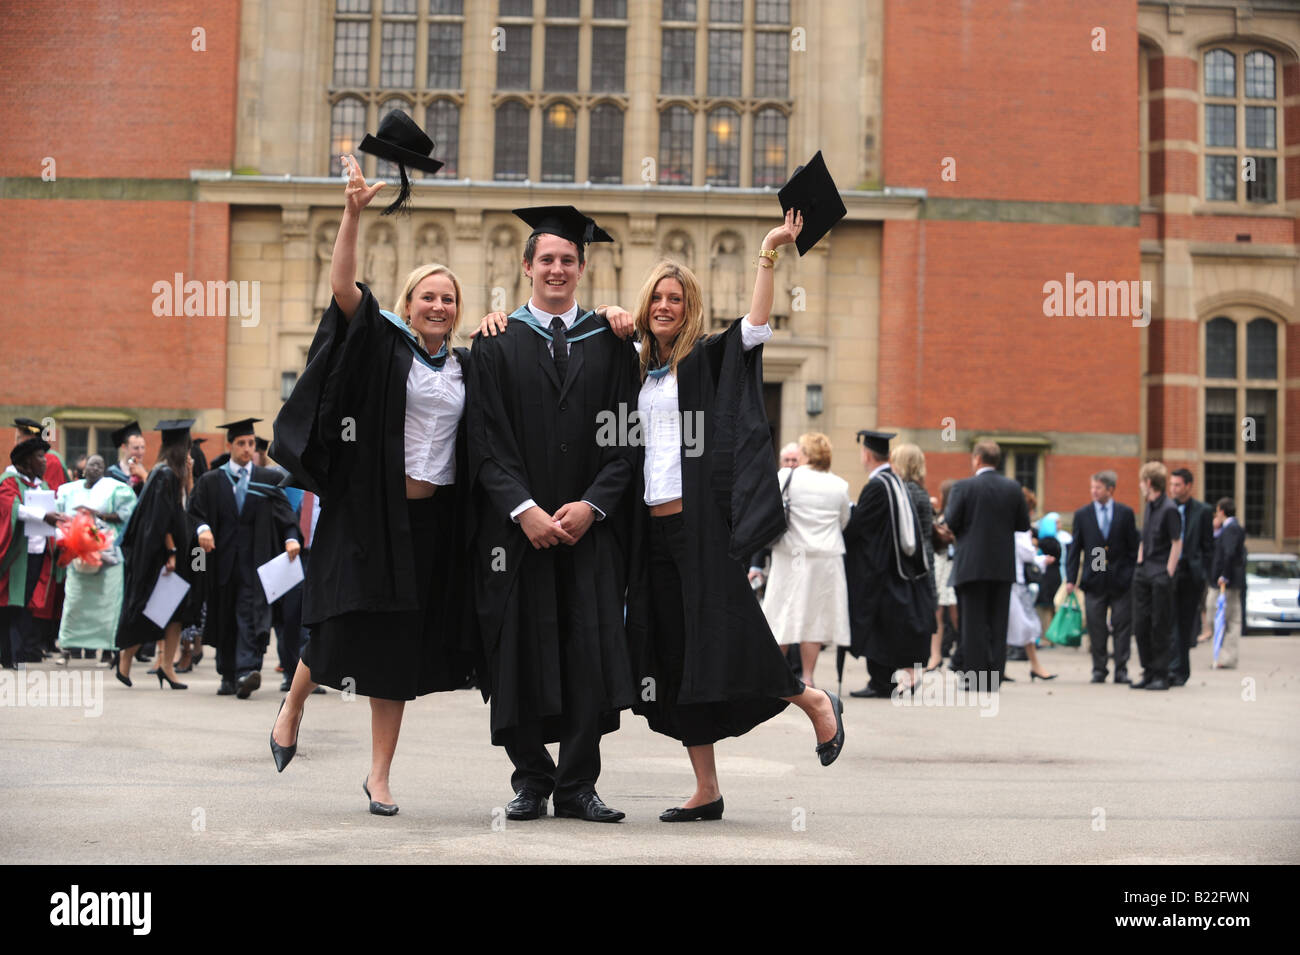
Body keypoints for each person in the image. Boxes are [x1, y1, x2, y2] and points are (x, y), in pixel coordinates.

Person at [271, 145, 474, 815]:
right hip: (370, 512)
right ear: (410, 303)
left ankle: (379, 775)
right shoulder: (386, 342)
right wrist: (351, 214)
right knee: (338, 620)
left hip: (429, 522)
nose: (437, 306)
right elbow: (343, 292)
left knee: (396, 651)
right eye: (427, 296)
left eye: (448, 298)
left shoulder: (469, 366)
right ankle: (294, 703)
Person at [620, 240, 844, 821]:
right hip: (652, 530)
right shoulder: (640, 368)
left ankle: (811, 699)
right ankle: (707, 788)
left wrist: (768, 256)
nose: (664, 307)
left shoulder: (707, 356)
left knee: (734, 635)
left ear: (690, 306)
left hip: (700, 528)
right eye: (657, 299)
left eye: (675, 298)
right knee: (676, 655)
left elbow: (755, 325)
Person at [467, 204, 641, 823]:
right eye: (547, 259)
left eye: (568, 259)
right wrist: (524, 510)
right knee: (517, 650)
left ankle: (577, 785)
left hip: (588, 533)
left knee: (586, 650)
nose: (558, 269)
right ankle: (531, 779)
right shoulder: (495, 343)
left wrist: (593, 504)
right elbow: (484, 441)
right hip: (518, 535)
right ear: (526, 267)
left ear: (583, 267)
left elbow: (628, 439)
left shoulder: (613, 344)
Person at [189, 418, 300, 699]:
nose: (247, 448)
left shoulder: (268, 480)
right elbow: (195, 512)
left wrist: (291, 538)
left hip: (256, 562)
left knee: (250, 616)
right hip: (222, 563)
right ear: (230, 446)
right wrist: (203, 530)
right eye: (241, 443)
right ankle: (228, 674)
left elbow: (285, 515)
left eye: (251, 443)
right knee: (225, 617)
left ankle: (247, 671)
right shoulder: (211, 481)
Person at [845, 430, 933, 698]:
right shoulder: (895, 481)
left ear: (867, 454)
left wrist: (848, 515)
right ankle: (888, 680)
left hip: (880, 569)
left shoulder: (877, 485)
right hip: (898, 566)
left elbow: (860, 527)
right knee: (891, 626)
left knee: (880, 627)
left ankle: (881, 682)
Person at [761, 431, 852, 687]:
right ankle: (809, 677)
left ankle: (775, 677)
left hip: (791, 555)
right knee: (816, 618)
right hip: (826, 558)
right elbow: (844, 519)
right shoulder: (840, 485)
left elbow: (769, 510)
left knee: (781, 612)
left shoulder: (786, 477)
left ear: (807, 453)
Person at [114, 420, 195, 689]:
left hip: (179, 553)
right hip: (166, 554)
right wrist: (171, 551)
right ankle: (126, 661)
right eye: (187, 447)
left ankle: (167, 667)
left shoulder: (172, 473)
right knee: (155, 610)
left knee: (174, 613)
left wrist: (191, 477)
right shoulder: (164, 475)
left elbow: (185, 510)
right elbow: (161, 519)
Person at [944, 440, 1030, 689]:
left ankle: (974, 677)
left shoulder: (964, 486)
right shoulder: (1013, 488)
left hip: (971, 565)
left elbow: (951, 521)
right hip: (1002, 566)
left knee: (973, 624)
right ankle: (994, 677)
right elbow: (1023, 525)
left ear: (978, 459)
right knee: (997, 622)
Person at [54, 455, 136, 661]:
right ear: (84, 469)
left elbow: (127, 514)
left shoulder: (116, 489)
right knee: (74, 602)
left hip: (108, 553)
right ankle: (67, 648)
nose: (96, 468)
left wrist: (99, 515)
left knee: (108, 604)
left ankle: (108, 650)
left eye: (100, 465)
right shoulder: (69, 491)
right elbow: (59, 516)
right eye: (92, 464)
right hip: (77, 554)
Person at [1065, 469, 1138, 683]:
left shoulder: (1125, 513)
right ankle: (1099, 668)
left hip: (1120, 580)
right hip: (1094, 577)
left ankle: (1121, 669)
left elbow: (1132, 548)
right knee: (1096, 626)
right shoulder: (1083, 514)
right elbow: (1075, 548)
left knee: (1122, 625)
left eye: (1098, 488)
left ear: (1110, 489)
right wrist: (1071, 579)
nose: (1094, 492)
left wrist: (1129, 574)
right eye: (1092, 488)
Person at [0, 438, 66, 669]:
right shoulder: (8, 481)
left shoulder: (42, 486)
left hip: (37, 554)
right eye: (40, 457)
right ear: (27, 460)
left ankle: (15, 654)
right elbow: (14, 510)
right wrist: (43, 516)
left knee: (23, 603)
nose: (45, 462)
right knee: (11, 604)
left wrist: (65, 538)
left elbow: (50, 520)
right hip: (16, 555)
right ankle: (11, 655)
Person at [1130, 461, 1181, 691]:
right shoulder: (1149, 506)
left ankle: (1161, 673)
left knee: (1159, 625)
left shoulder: (1170, 508)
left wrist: (1168, 572)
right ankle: (1148, 671)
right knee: (1141, 624)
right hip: (1144, 572)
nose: (1140, 486)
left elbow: (1176, 542)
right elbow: (1144, 538)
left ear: (1149, 483)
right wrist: (1140, 562)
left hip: (1160, 573)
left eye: (1142, 482)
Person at [1167, 468, 1213, 686]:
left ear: (1188, 486)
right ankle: (1171, 667)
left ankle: (1180, 670)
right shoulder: (1167, 508)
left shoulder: (1203, 511)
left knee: (1184, 624)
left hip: (1190, 573)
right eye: (1171, 484)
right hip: (1170, 571)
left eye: (1177, 485)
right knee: (1169, 621)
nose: (1173, 489)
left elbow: (1208, 546)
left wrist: (1203, 572)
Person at [1009, 489, 1056, 681]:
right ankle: (1034, 665)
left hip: (1015, 579)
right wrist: (1042, 559)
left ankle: (1032, 665)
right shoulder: (1019, 528)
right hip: (1015, 581)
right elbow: (1026, 553)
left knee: (1012, 624)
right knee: (1025, 623)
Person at [1207, 497, 1245, 669]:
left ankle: (1226, 657)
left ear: (1221, 511)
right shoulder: (1229, 528)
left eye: (1217, 510)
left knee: (1223, 618)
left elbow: (1229, 553)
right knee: (1231, 619)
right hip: (1231, 581)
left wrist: (1224, 575)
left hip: (1226, 583)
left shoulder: (1231, 528)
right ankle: (1228, 656)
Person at [928, 479, 958, 669]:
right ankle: (935, 655)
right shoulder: (940, 515)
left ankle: (962, 651)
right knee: (937, 613)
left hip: (950, 566)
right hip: (939, 566)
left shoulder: (954, 516)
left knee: (956, 614)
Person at [12, 418, 70, 490]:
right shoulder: (22, 459)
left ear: (31, 438)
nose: (15, 443)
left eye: (19, 438)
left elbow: (52, 494)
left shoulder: (51, 460)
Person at [105, 421, 148, 497]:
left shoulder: (145, 474)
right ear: (124, 447)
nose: (140, 452)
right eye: (136, 448)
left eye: (142, 447)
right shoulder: (112, 473)